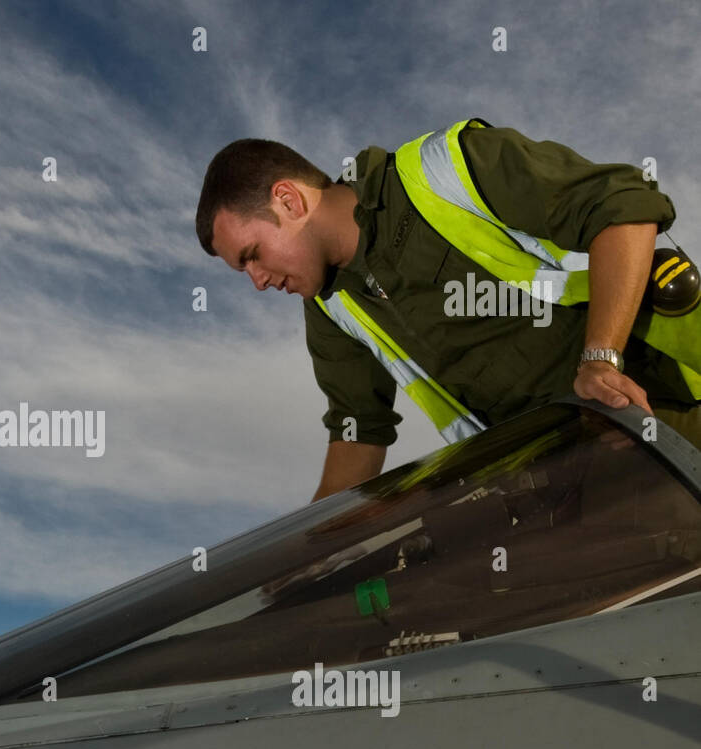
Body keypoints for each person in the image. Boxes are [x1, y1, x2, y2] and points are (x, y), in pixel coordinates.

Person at [194, 118, 701, 501]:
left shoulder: (446, 170)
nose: (258, 282)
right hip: (569, 477)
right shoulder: (330, 308)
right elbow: (358, 433)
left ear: (289, 200)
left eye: (252, 255)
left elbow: (625, 207)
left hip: (668, 405)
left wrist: (601, 358)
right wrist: (307, 550)